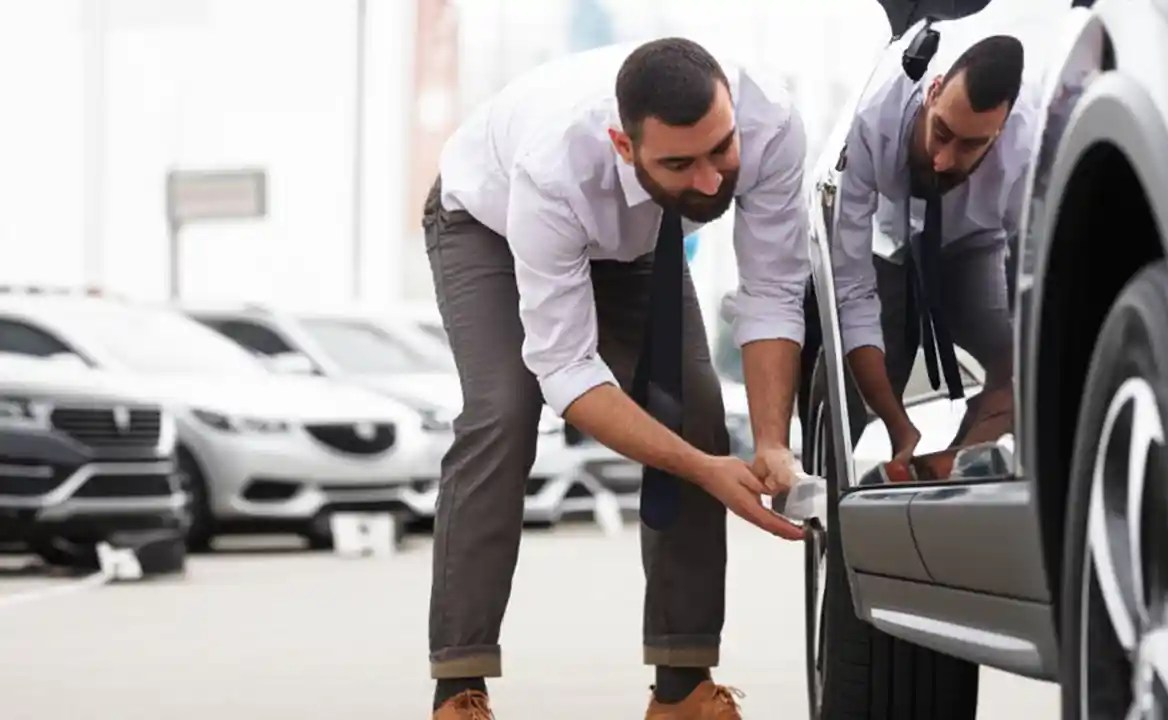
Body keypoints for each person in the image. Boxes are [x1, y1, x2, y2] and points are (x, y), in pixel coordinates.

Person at [421, 37, 810, 719]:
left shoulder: (771, 120)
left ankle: (681, 690)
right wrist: (701, 469)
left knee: (695, 411)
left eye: (721, 150)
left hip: (628, 245)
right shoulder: (554, 167)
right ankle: (459, 687)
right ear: (624, 147)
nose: (712, 183)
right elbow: (566, 371)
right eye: (681, 164)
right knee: (502, 414)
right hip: (483, 224)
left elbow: (773, 288)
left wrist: (772, 442)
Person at [832, 32, 1039, 477]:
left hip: (972, 246)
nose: (945, 160)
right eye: (941, 133)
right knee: (867, 358)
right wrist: (896, 422)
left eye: (970, 146)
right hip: (885, 245)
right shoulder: (874, 118)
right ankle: (835, 490)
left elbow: (1037, 284)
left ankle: (949, 469)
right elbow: (851, 290)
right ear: (934, 88)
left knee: (1027, 354)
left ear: (999, 131)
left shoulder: (1030, 146)